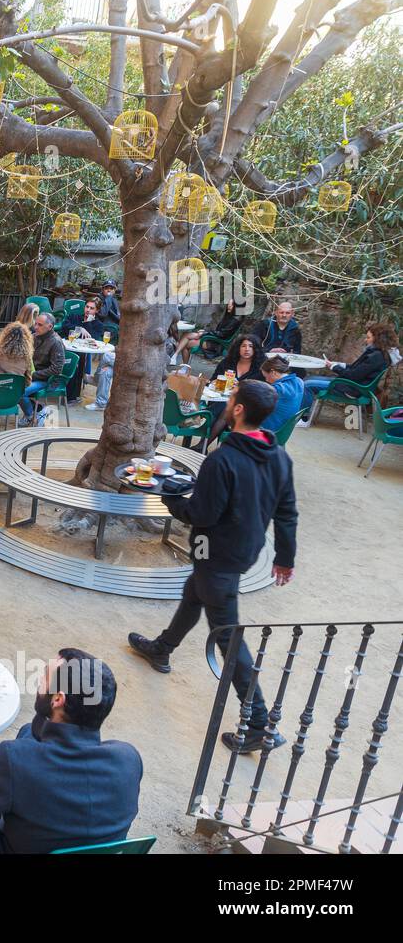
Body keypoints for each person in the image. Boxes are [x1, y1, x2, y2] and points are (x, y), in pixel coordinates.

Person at [129, 379, 298, 755]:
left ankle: (258, 721)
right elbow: (287, 512)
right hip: (241, 551)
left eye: (232, 397)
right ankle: (162, 648)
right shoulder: (279, 455)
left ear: (238, 410)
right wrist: (285, 558)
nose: (228, 400)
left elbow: (201, 514)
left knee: (227, 634)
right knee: (195, 592)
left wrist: (167, 496)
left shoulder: (222, 459)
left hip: (216, 553)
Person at [0, 649, 142, 854]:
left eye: (44, 677)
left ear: (57, 700)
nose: (39, 683)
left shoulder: (13, 759)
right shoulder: (129, 760)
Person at [296, 322, 397, 425]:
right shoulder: (378, 354)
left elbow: (353, 375)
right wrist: (337, 364)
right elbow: (357, 369)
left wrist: (334, 367)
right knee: (309, 379)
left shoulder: (376, 356)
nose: (365, 340)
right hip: (352, 385)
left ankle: (303, 420)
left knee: (307, 385)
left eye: (368, 337)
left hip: (352, 389)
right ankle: (301, 415)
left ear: (378, 339)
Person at [21, 312, 65, 426]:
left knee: (20, 391)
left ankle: (31, 416)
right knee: (10, 385)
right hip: (30, 375)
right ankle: (39, 408)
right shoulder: (34, 336)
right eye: (35, 324)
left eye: (40, 325)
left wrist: (33, 374)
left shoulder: (56, 342)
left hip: (47, 380)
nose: (36, 327)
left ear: (50, 327)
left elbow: (56, 369)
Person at [260, 356, 303, 433]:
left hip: (268, 430)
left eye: (266, 376)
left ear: (273, 372)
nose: (266, 380)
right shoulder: (299, 381)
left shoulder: (277, 388)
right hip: (284, 431)